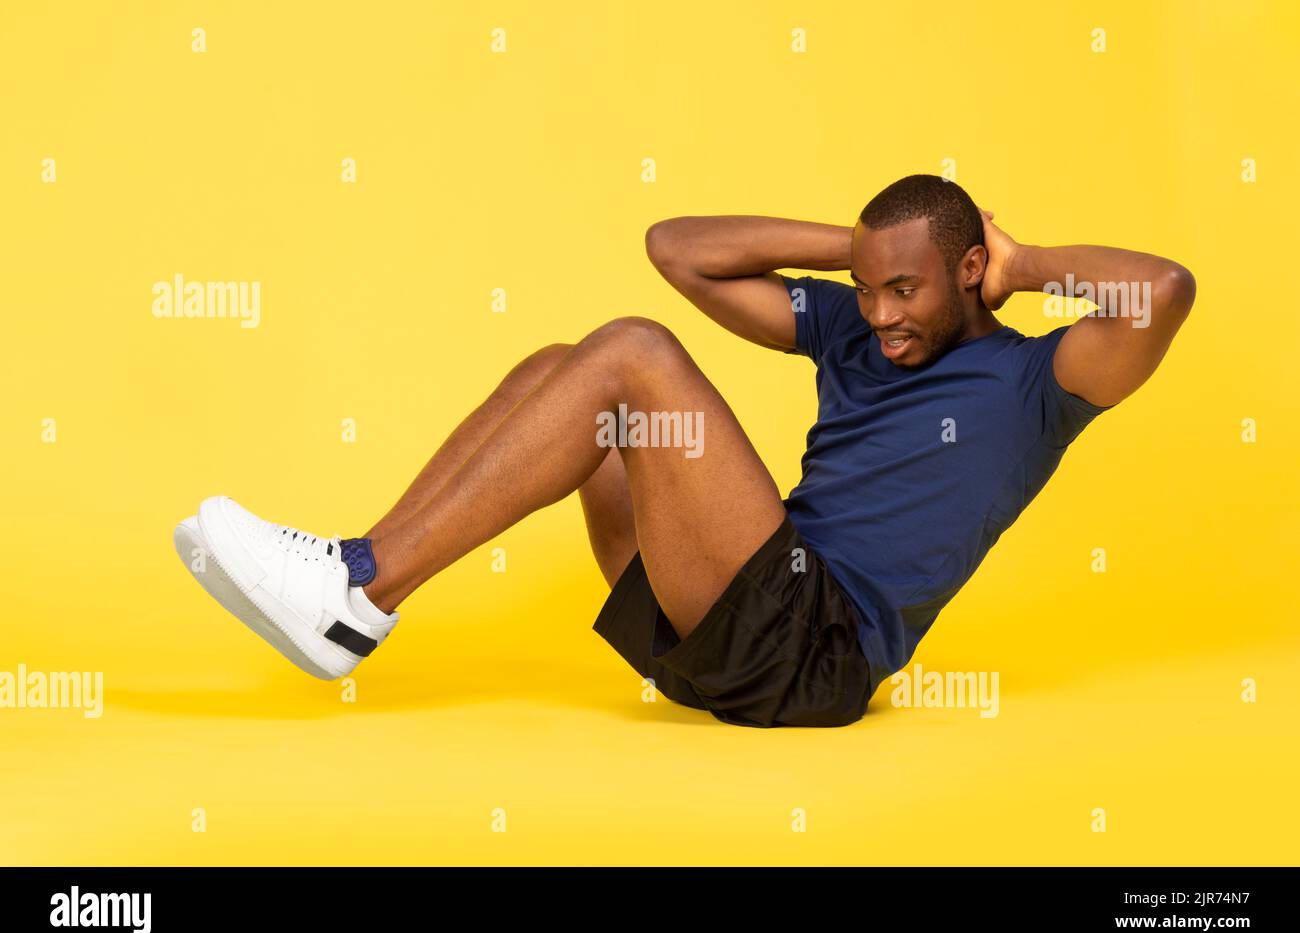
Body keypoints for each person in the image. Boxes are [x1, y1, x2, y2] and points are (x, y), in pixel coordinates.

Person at [174, 174, 1196, 728]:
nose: (880, 315)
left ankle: (357, 593)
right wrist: (856, 248)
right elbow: (678, 249)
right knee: (563, 365)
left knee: (630, 356)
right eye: (870, 286)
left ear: (970, 269)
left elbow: (1165, 290)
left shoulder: (1038, 381)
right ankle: (355, 575)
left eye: (908, 290)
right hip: (722, 623)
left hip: (812, 652)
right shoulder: (854, 322)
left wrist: (1020, 259)